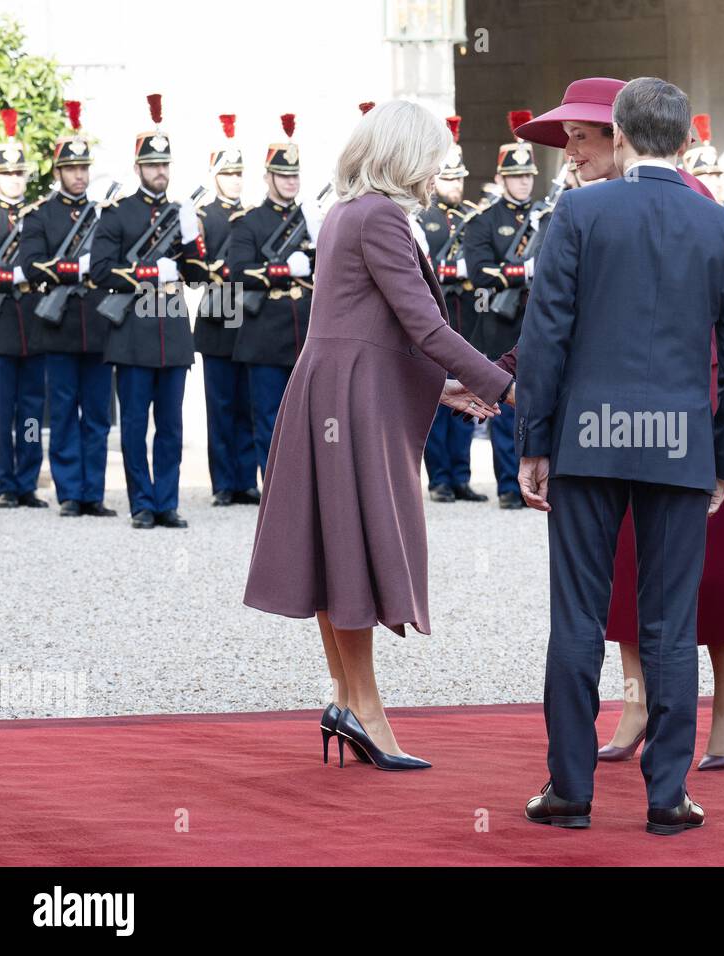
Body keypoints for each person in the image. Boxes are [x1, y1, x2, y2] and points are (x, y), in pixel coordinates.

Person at [513, 76, 724, 834]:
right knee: (669, 623)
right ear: (686, 141)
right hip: (680, 444)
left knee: (579, 617)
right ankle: (667, 796)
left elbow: (546, 332)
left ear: (618, 135)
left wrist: (534, 442)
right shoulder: (723, 227)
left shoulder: (579, 210)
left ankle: (570, 788)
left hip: (590, 438)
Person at [243, 99, 513, 770]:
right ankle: (363, 710)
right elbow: (425, 328)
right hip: (352, 402)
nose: (440, 165)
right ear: (403, 156)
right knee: (353, 550)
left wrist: (445, 387)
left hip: (331, 389)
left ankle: (344, 699)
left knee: (336, 549)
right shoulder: (383, 218)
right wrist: (507, 388)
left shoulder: (346, 213)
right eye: (432, 154)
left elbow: (372, 328)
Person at [90, 93, 208, 529]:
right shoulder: (118, 214)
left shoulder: (181, 213)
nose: (160, 172)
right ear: (138, 167)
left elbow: (196, 277)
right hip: (133, 336)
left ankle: (167, 501)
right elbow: (101, 271)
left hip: (174, 335)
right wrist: (146, 271)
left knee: (172, 428)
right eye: (153, 165)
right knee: (136, 427)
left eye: (166, 165)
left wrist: (193, 239)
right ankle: (141, 502)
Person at [229, 113, 321, 482]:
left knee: (311, 419)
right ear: (268, 176)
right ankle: (276, 489)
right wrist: (283, 269)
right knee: (268, 418)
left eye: (295, 175)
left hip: (307, 335)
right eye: (283, 175)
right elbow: (238, 272)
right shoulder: (250, 223)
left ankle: (309, 489)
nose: (290, 181)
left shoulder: (312, 218)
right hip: (265, 335)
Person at [461, 111, 545, 510]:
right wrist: (520, 272)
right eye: (516, 176)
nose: (524, 181)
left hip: (539, 323)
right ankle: (511, 487)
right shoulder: (483, 222)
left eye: (528, 174)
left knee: (542, 402)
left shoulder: (549, 217)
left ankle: (539, 480)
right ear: (502, 178)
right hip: (498, 324)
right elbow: (479, 272)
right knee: (503, 405)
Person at [417, 115, 485, 505]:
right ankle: (439, 478)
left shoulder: (471, 216)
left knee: (470, 397)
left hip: (467, 318)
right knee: (439, 400)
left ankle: (461, 476)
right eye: (448, 178)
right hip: (437, 318)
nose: (456, 186)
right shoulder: (423, 217)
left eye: (460, 179)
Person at [193, 113, 259, 507]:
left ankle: (245, 480)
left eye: (239, 173)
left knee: (248, 404)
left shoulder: (252, 214)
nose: (235, 180)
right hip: (219, 313)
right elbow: (195, 265)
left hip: (248, 317)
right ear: (215, 174)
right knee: (220, 406)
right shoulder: (202, 214)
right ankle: (222, 482)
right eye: (228, 173)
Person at [0, 109, 47, 510]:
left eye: (19, 173)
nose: (14, 180)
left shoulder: (39, 217)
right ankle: (5, 482)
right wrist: (11, 277)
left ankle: (27, 480)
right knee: (1, 411)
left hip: (35, 326)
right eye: (6, 174)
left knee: (30, 414)